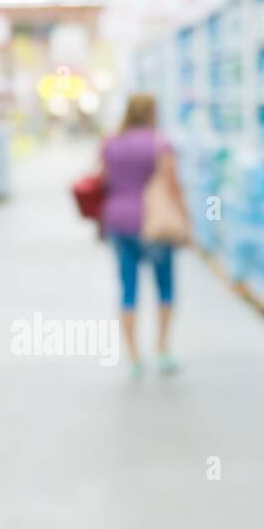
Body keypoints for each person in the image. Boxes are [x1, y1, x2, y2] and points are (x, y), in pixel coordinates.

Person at [100, 93, 189, 379]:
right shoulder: (159, 144)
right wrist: (186, 219)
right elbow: (172, 184)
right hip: (155, 223)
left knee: (128, 289)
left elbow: (103, 181)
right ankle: (162, 350)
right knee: (164, 286)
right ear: (152, 113)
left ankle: (134, 357)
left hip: (119, 220)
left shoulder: (111, 143)